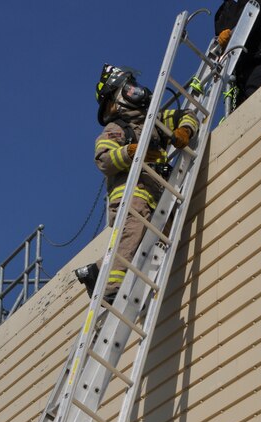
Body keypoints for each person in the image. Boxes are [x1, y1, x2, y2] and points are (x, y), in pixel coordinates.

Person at [75, 64, 200, 304]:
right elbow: (103, 159)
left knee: (159, 237)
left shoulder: (155, 122)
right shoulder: (117, 128)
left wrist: (185, 131)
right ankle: (109, 285)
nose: (136, 91)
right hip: (132, 195)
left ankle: (105, 276)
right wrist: (132, 152)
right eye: (128, 88)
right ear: (116, 100)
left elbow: (186, 116)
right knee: (133, 234)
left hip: (156, 195)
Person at [215, 0, 261, 107]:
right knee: (241, 112)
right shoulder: (225, 8)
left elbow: (254, 13)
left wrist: (232, 32)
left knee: (258, 104)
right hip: (238, 70)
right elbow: (220, 34)